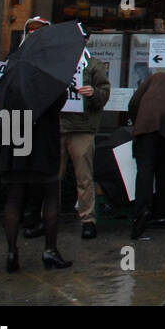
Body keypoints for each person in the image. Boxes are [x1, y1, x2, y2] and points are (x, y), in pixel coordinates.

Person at [0, 26, 82, 273]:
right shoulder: (48, 74)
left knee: (14, 198)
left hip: (16, 140)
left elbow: (0, 103)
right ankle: (50, 250)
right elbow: (57, 105)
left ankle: (12, 252)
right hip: (44, 142)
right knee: (51, 197)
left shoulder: (12, 70)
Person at [57, 44, 111, 239]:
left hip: (82, 127)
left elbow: (104, 92)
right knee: (54, 176)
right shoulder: (58, 63)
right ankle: (48, 215)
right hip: (59, 125)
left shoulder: (93, 65)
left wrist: (94, 93)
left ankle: (88, 219)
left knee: (84, 176)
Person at [128, 66, 165, 240]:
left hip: (146, 126)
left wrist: (136, 120)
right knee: (164, 170)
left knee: (145, 170)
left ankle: (142, 211)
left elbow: (134, 102)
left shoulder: (156, 78)